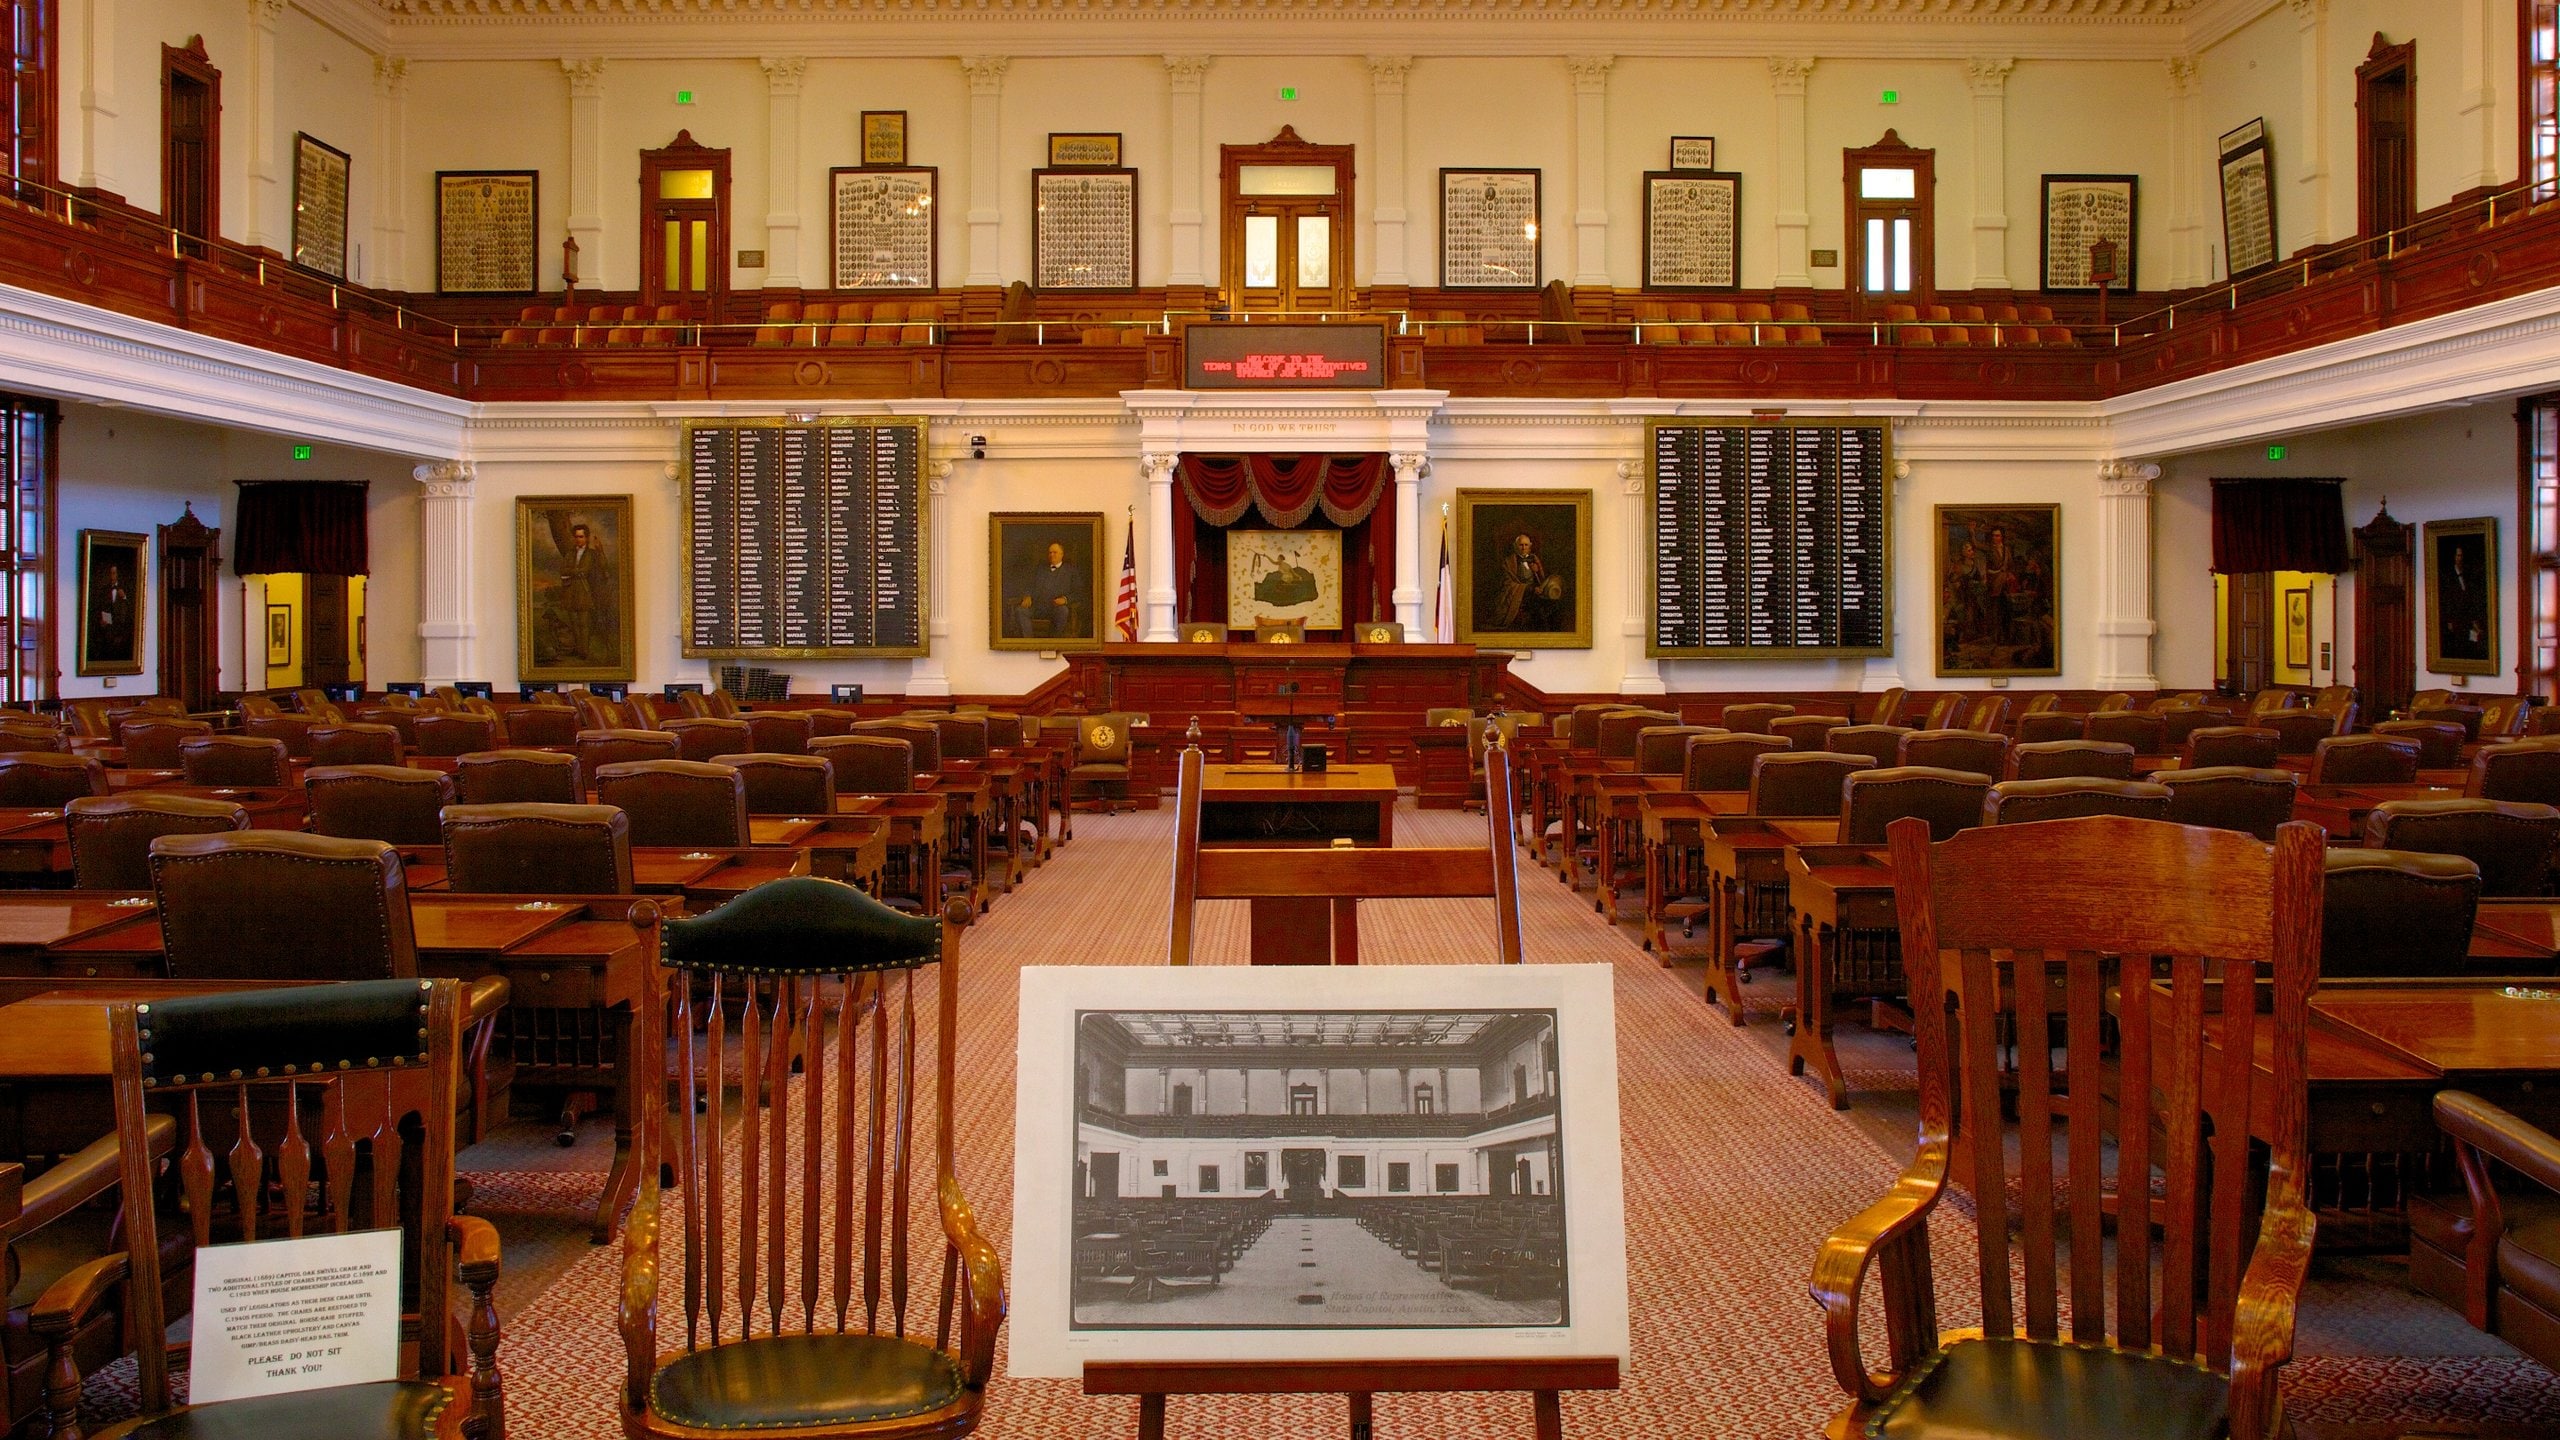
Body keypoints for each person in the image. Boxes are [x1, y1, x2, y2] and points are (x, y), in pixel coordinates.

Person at [1012, 541, 1087, 639]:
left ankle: (1052, 642)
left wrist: (1065, 599)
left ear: (1061, 554)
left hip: (1055, 608)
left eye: (1055, 552)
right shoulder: (1040, 569)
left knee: (1063, 611)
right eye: (1050, 553)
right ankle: (1029, 642)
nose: (1051, 555)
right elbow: (1029, 586)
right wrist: (1027, 596)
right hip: (1037, 607)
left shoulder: (1071, 571)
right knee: (1020, 610)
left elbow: (1078, 592)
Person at [553, 521, 603, 662]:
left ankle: (584, 651)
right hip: (570, 592)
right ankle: (577, 649)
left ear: (586, 538)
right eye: (576, 536)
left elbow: (590, 571)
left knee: (584, 623)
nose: (578, 539)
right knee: (573, 622)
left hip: (584, 592)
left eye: (581, 536)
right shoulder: (569, 554)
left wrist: (575, 572)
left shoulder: (592, 554)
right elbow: (563, 570)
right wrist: (576, 572)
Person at [1492, 532, 1559, 631]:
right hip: (1519, 595)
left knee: (1554, 604)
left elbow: (1542, 579)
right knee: (1539, 610)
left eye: (1526, 545)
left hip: (1537, 591)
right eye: (1521, 545)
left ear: (1530, 546)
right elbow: (1508, 584)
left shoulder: (1534, 559)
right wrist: (1529, 589)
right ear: (1515, 546)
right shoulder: (1509, 562)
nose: (1523, 548)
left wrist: (1537, 571)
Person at [93, 563, 132, 662]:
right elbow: (99, 608)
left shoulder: (125, 588)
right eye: (110, 573)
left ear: (118, 574)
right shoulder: (104, 590)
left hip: (120, 630)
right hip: (107, 630)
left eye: (114, 573)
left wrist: (124, 597)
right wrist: (100, 620)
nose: (112, 576)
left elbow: (131, 609)